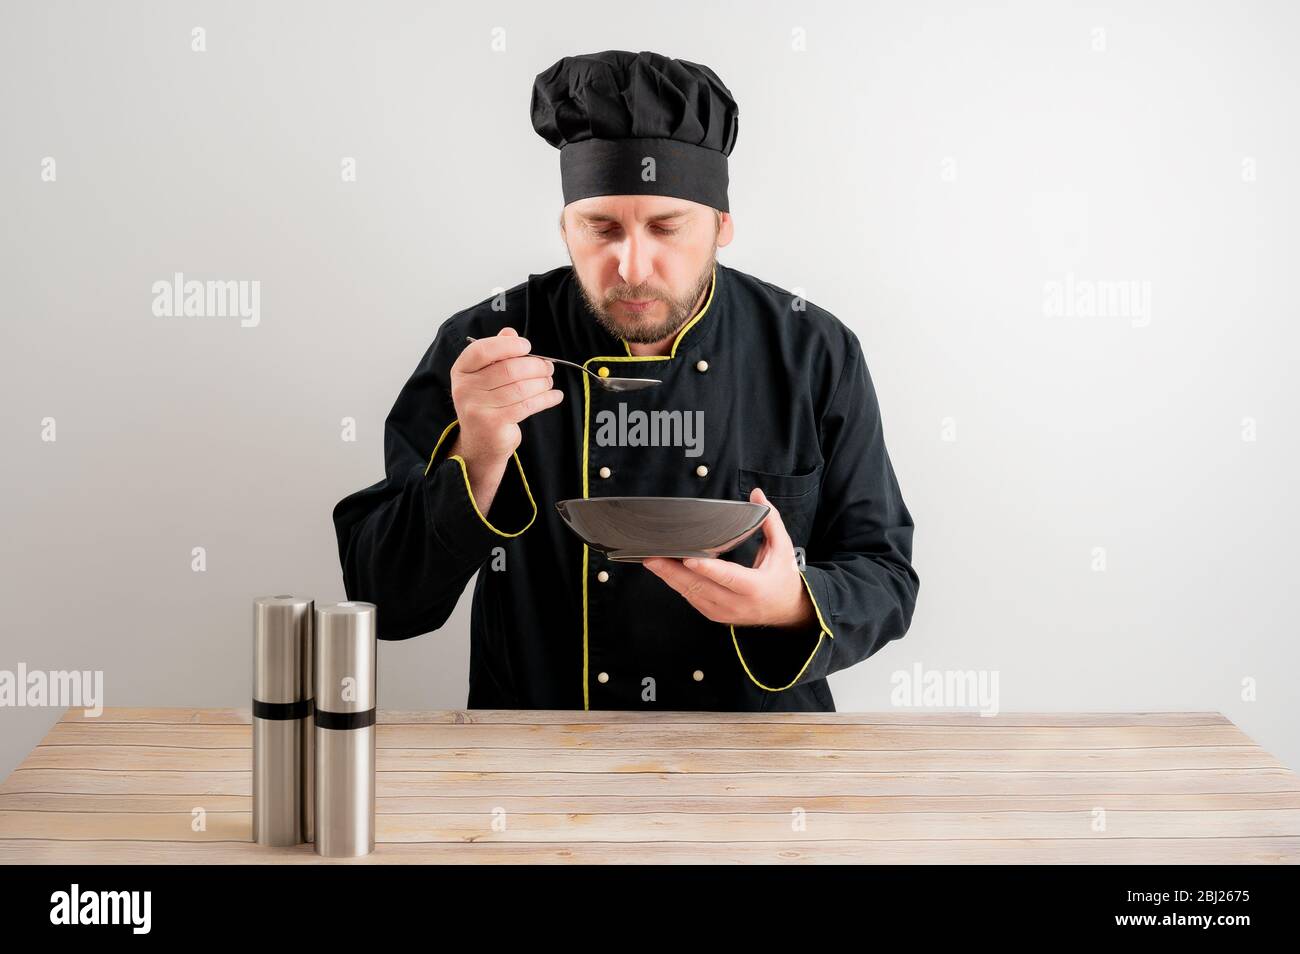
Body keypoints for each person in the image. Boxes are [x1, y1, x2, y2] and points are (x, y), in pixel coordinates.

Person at [331, 50, 920, 712]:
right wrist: (477, 455)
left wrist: (793, 604)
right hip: (543, 749)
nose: (632, 266)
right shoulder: (487, 348)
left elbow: (885, 574)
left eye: (666, 227)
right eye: (601, 227)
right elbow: (386, 600)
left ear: (722, 226)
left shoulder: (812, 350)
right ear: (565, 227)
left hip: (756, 756)